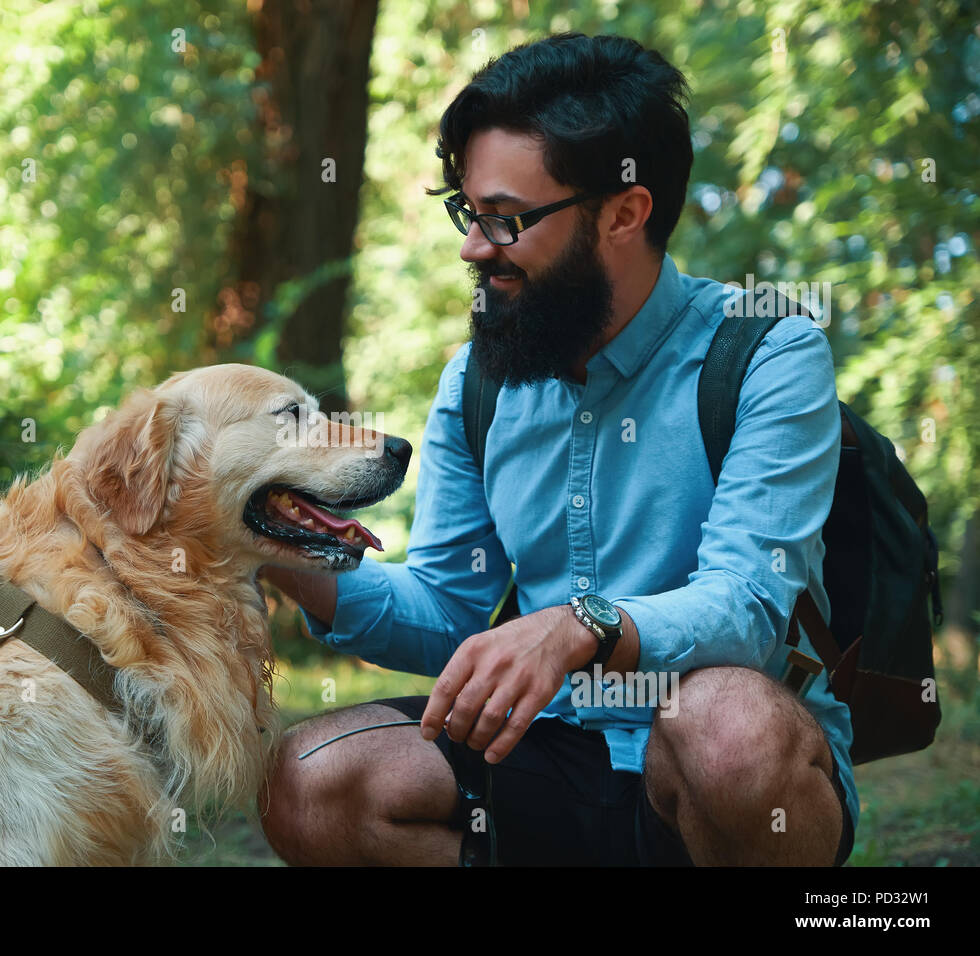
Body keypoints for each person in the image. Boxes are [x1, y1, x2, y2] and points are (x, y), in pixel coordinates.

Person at [258, 32, 856, 866]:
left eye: (505, 220)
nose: (472, 247)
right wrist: (271, 549)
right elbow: (447, 610)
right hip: (543, 752)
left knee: (729, 732)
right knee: (310, 778)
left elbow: (749, 609)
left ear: (624, 211)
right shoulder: (478, 379)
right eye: (469, 214)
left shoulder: (768, 354)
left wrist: (582, 626)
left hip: (705, 764)